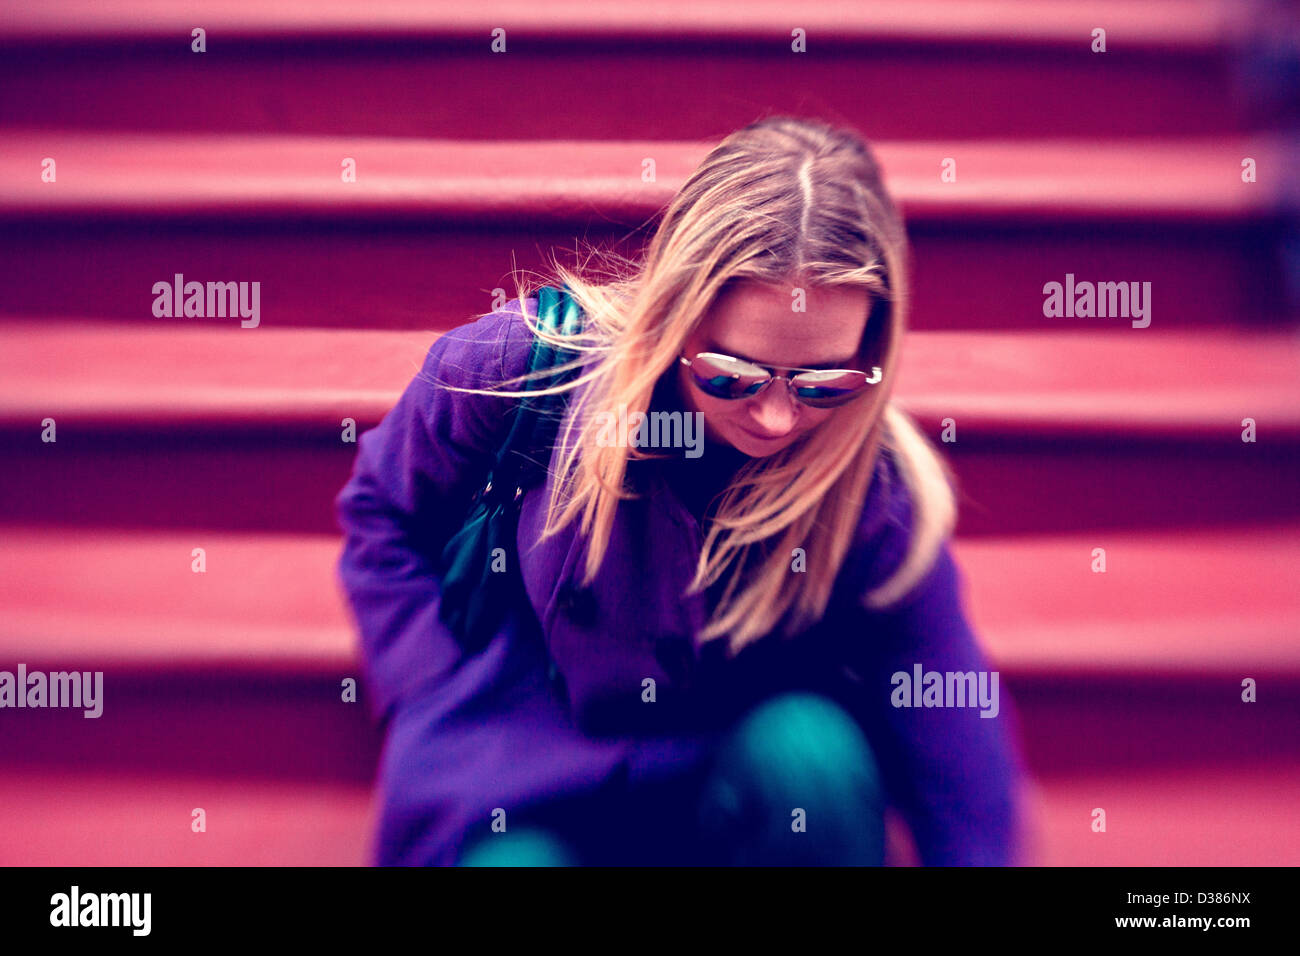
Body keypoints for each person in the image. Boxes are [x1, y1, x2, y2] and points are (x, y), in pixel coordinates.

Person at [335, 115, 1030, 866]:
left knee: (813, 760)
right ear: (675, 316)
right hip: (519, 751)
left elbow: (940, 683)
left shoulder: (869, 474)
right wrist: (429, 682)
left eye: (822, 382)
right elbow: (383, 513)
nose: (773, 416)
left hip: (723, 762)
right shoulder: (527, 366)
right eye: (732, 376)